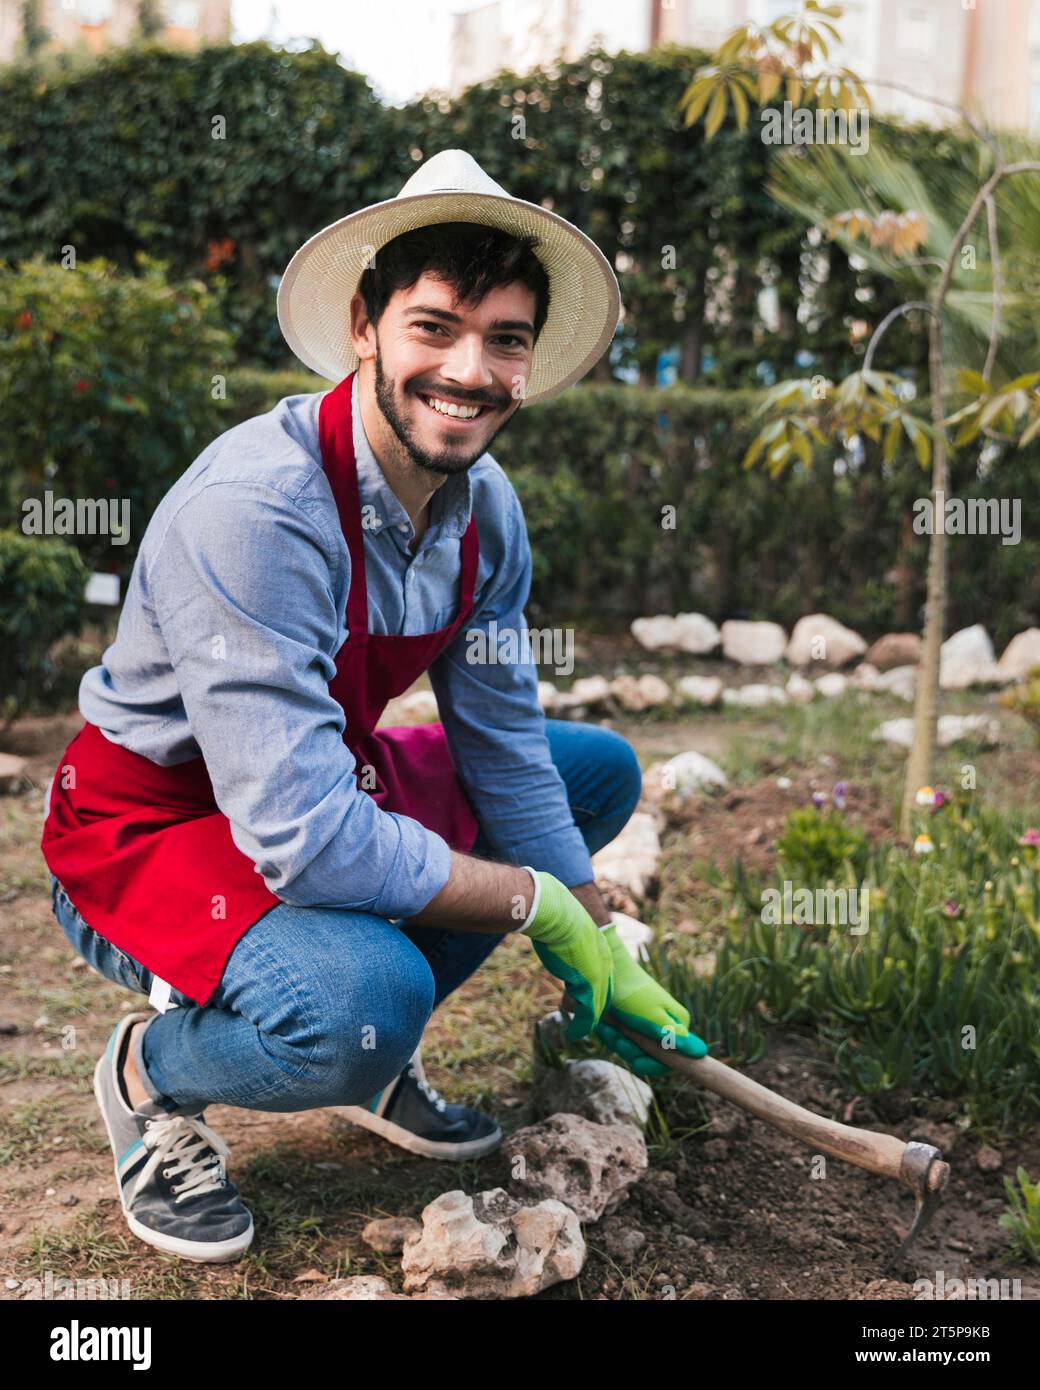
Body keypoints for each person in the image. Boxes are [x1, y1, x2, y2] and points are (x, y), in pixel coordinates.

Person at [41, 149, 707, 1265]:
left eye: (503, 338)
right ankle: (152, 1073)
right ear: (364, 325)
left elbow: (499, 744)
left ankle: (372, 1049)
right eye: (434, 326)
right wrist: (535, 905)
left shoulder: (485, 511)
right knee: (363, 992)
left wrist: (592, 930)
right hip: (144, 829)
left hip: (307, 781)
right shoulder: (257, 512)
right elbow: (302, 841)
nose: (468, 368)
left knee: (590, 772)